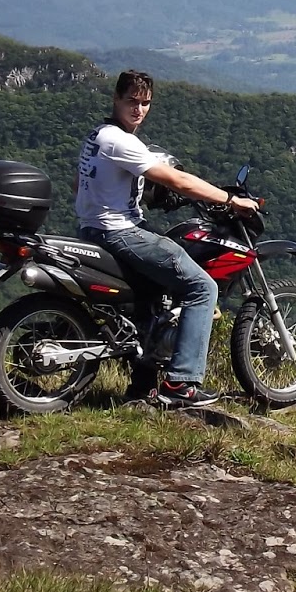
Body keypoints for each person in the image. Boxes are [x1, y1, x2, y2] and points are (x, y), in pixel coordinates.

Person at [75, 69, 260, 408]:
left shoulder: (97, 136)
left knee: (154, 295)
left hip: (93, 228)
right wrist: (229, 200)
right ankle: (181, 383)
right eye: (132, 101)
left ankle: (143, 381)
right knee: (203, 288)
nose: (139, 109)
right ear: (115, 99)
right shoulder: (121, 141)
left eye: (146, 103)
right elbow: (180, 181)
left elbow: (86, 184)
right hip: (118, 232)